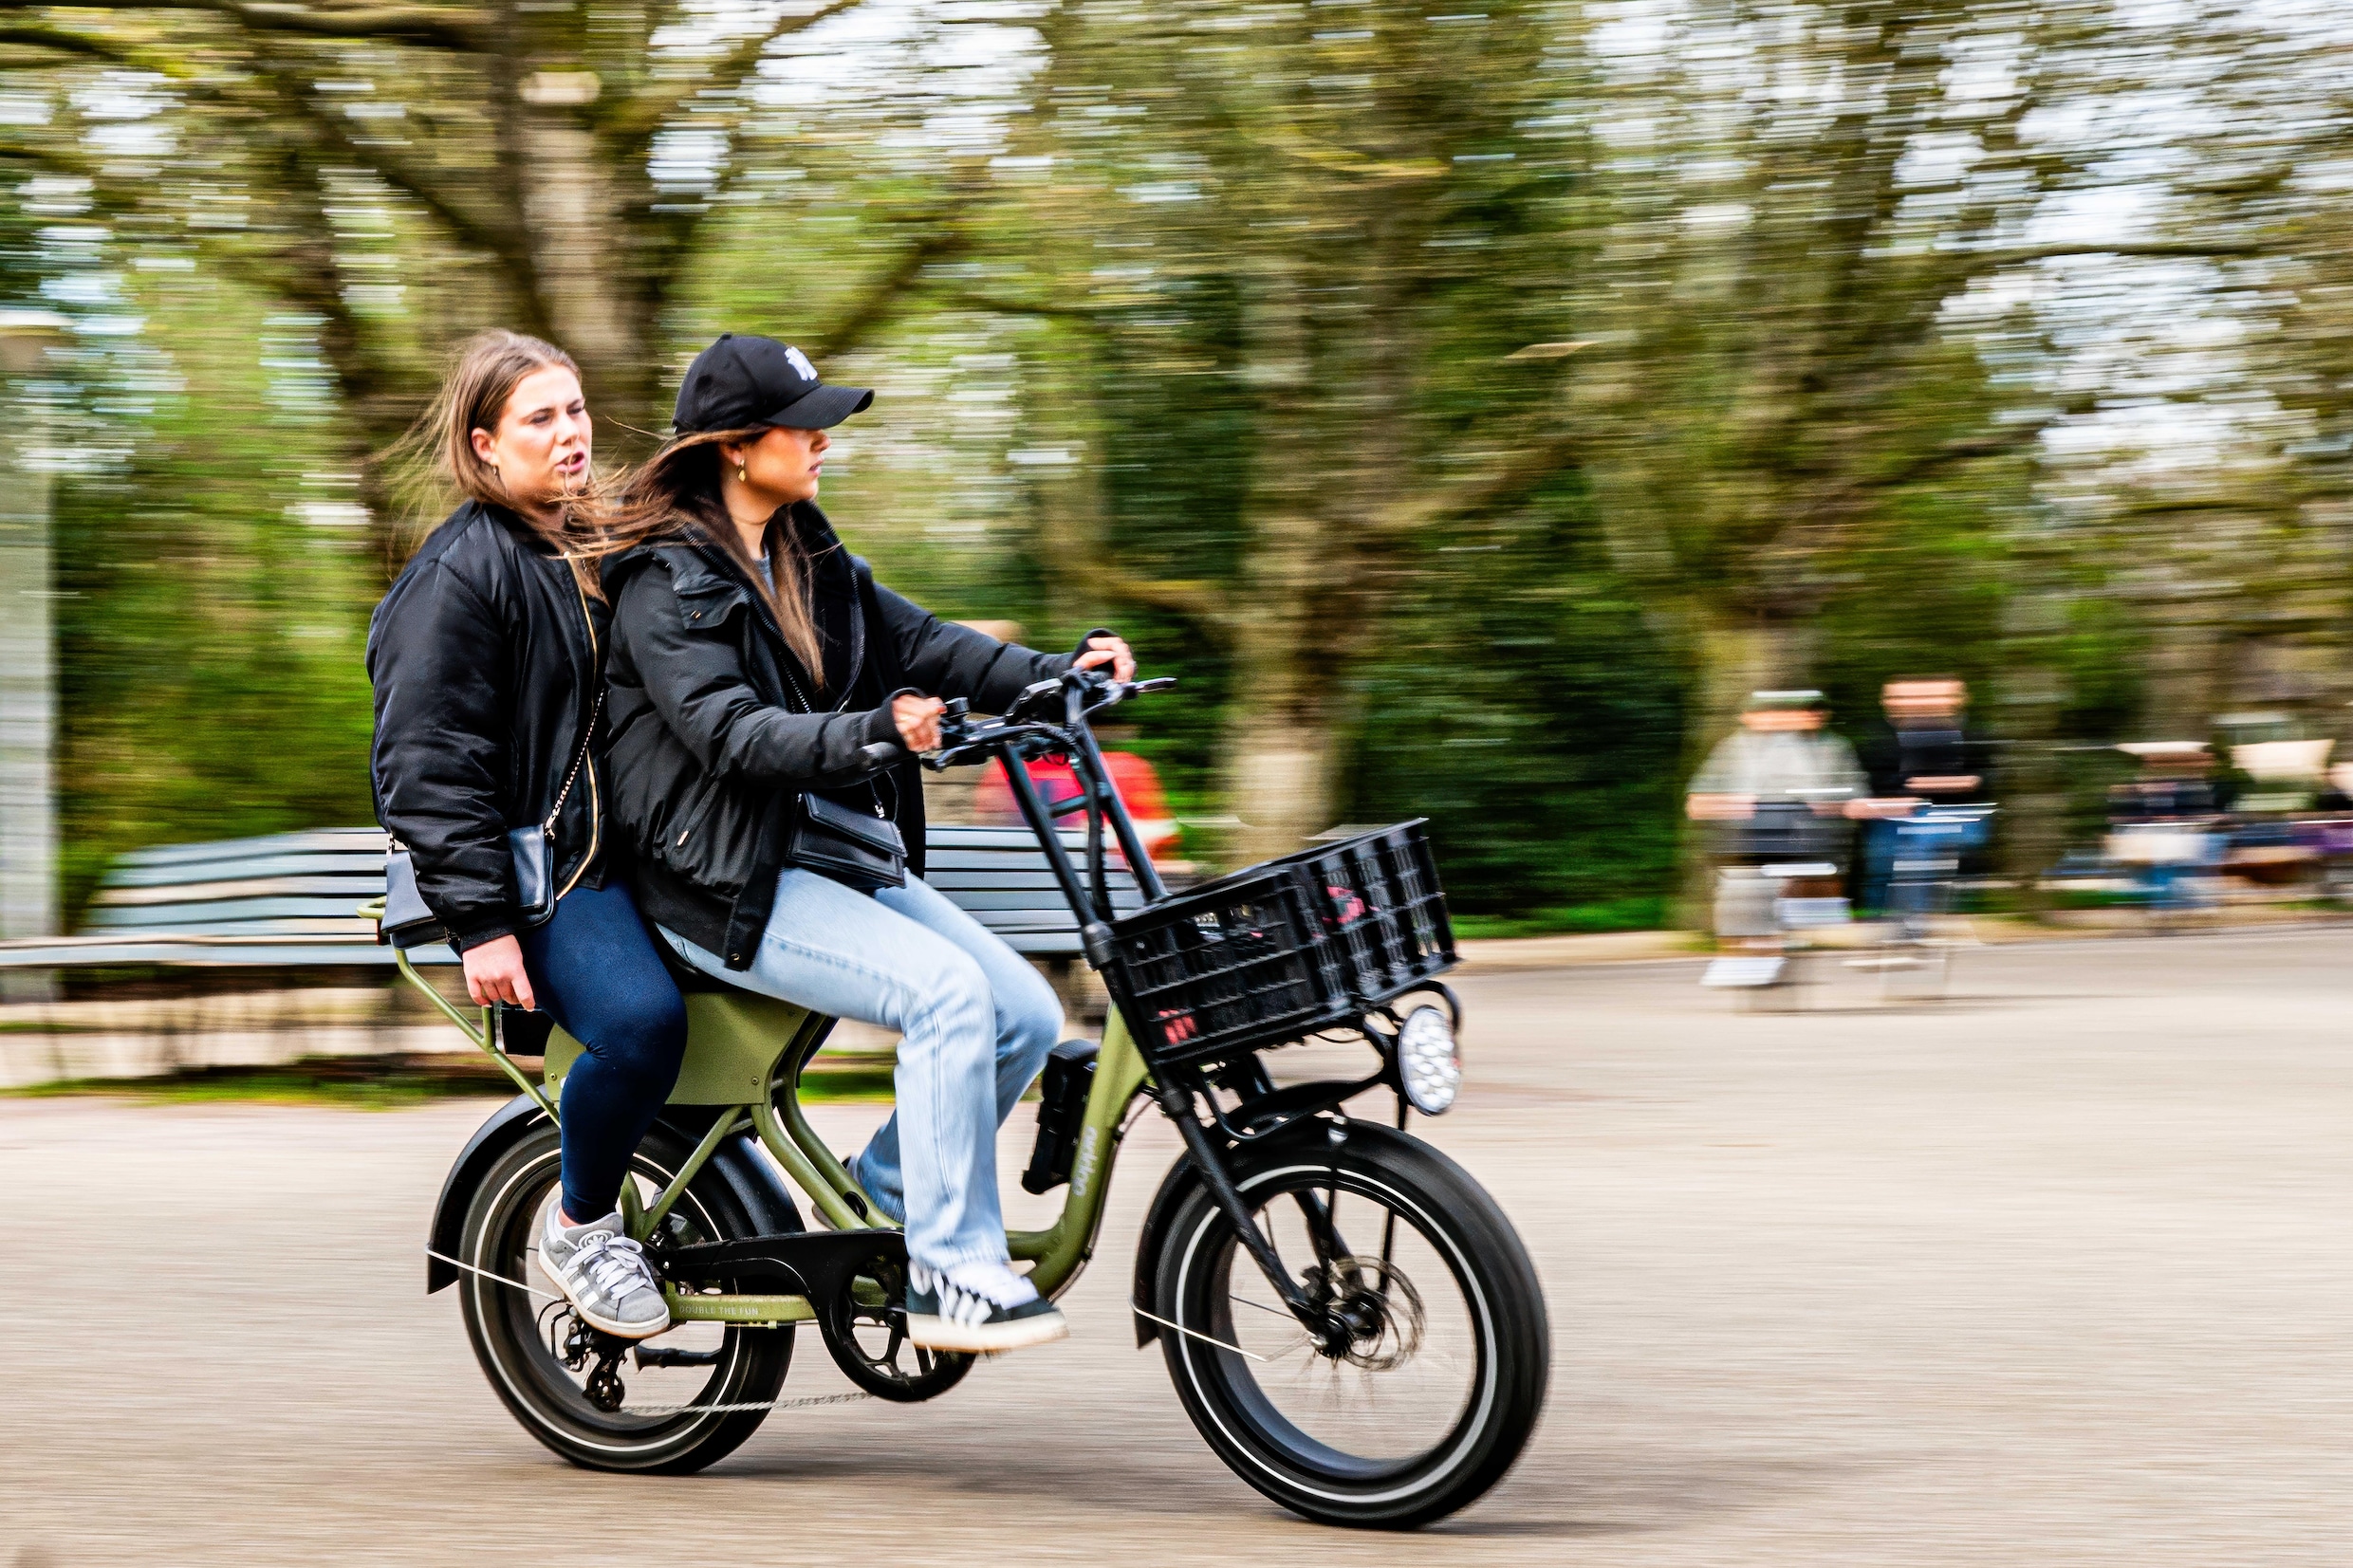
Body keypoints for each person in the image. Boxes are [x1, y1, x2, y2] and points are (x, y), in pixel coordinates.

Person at [590, 333, 1136, 1354]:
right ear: (735, 447)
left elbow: (927, 644)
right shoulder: (666, 582)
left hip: (822, 853)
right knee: (945, 996)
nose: (824, 441)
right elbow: (729, 733)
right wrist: (873, 731)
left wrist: (1058, 675)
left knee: (1021, 1011)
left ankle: (888, 1193)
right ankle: (948, 1273)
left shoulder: (808, 555)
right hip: (720, 879)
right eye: (803, 426)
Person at [367, 331, 683, 1340]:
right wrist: (481, 925)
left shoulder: (600, 543)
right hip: (541, 880)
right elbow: (425, 765)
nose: (569, 432)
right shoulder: (459, 576)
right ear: (485, 444)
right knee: (640, 1025)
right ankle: (581, 1225)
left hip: (633, 854)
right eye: (540, 418)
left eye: (575, 409)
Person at [1685, 690, 1865, 986]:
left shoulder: (1833, 749)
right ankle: (1739, 951)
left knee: (1790, 882)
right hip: (1750, 839)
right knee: (1739, 884)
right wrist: (1730, 803)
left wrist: (1826, 804)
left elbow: (1854, 796)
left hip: (1812, 838)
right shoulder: (1732, 748)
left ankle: (1782, 934)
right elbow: (1698, 800)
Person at [1851, 676, 1994, 921]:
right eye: (1897, 698)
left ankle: (1919, 920)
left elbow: (1982, 779)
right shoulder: (1879, 737)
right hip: (1892, 815)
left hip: (1952, 815)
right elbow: (1882, 780)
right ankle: (1883, 919)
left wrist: (1918, 787)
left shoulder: (1972, 735)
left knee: (1921, 851)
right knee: (1884, 867)